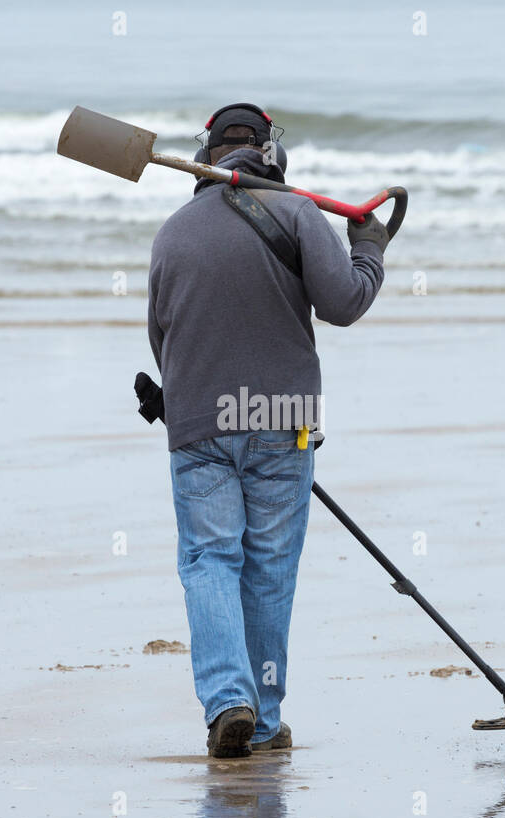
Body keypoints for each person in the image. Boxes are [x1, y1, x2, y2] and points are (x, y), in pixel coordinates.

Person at [147, 103, 389, 757]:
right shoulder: (298, 214)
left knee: (209, 560)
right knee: (269, 569)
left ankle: (229, 701)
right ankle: (262, 718)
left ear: (206, 155)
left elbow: (162, 337)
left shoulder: (171, 235)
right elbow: (344, 303)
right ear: (268, 152)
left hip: (199, 423)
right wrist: (368, 249)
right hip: (283, 420)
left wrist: (175, 399)